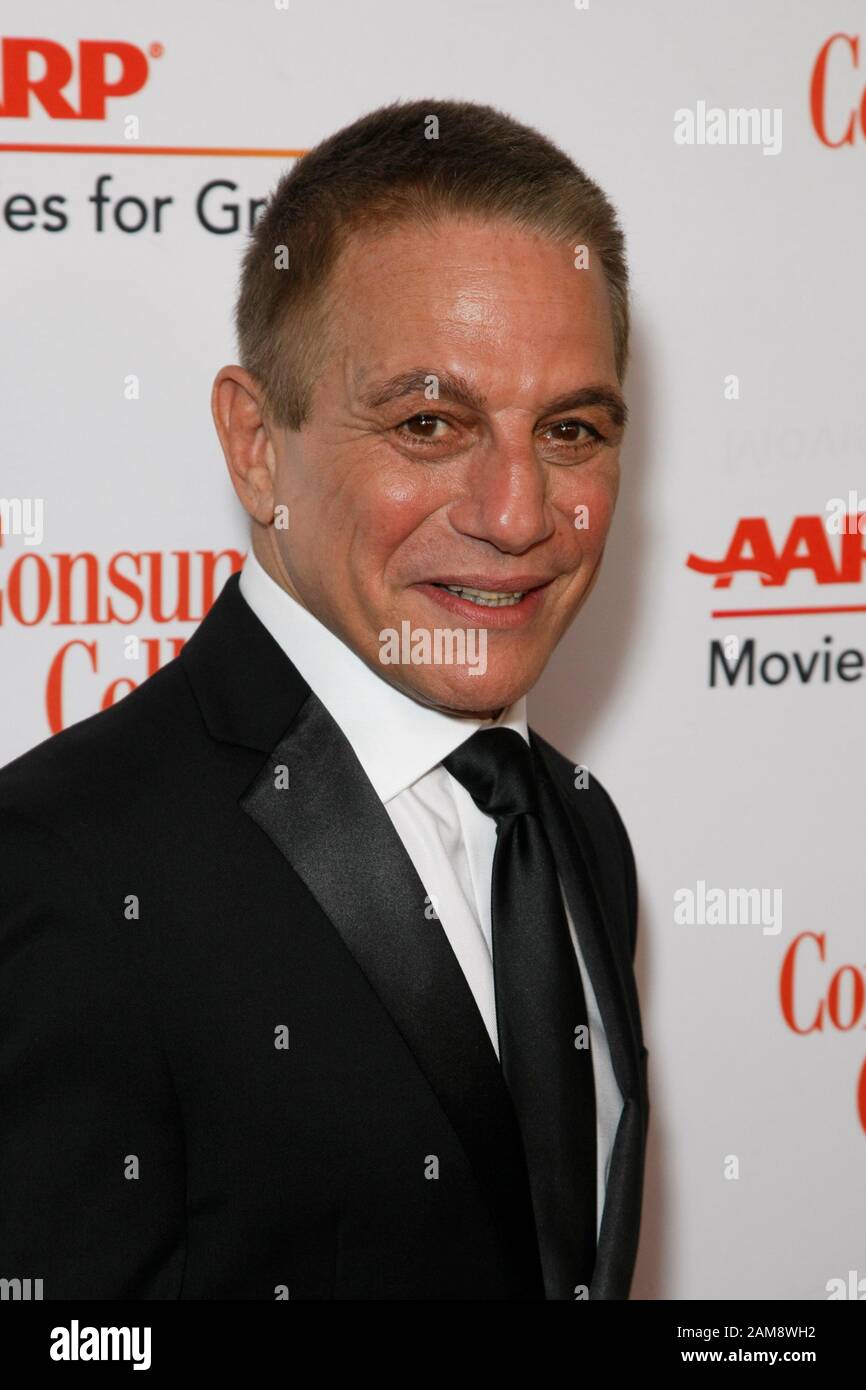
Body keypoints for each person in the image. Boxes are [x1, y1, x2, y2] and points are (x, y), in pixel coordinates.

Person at [0, 98, 648, 1300]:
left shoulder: (577, 827)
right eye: (428, 421)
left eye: (569, 429)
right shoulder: (58, 875)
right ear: (256, 446)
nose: (515, 513)